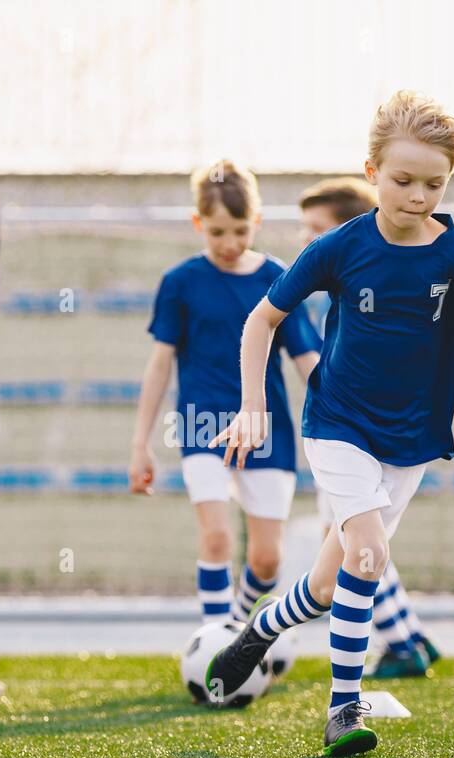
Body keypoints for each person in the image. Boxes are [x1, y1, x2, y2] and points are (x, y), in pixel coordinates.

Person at [206, 91, 454, 756]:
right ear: (372, 171)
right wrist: (252, 406)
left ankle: (261, 628)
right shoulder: (340, 247)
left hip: (410, 442)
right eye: (403, 180)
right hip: (337, 423)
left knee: (330, 584)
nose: (418, 196)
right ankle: (343, 711)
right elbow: (262, 320)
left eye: (434, 185)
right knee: (370, 554)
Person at [129, 160, 319, 640]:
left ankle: (239, 632)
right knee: (215, 537)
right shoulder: (181, 282)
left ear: (257, 222)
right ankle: (216, 644)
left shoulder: (278, 277)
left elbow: (307, 359)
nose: (230, 243)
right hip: (201, 425)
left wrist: (347, 410)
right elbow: (159, 364)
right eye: (217, 232)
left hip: (266, 430)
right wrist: (140, 443)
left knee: (267, 559)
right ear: (198, 223)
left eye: (240, 231)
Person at [298, 177, 442, 677]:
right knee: (362, 538)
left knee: (349, 540)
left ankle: (402, 645)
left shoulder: (364, 283)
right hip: (345, 430)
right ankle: (408, 635)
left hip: (355, 434)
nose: (308, 240)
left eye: (317, 229)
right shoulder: (331, 285)